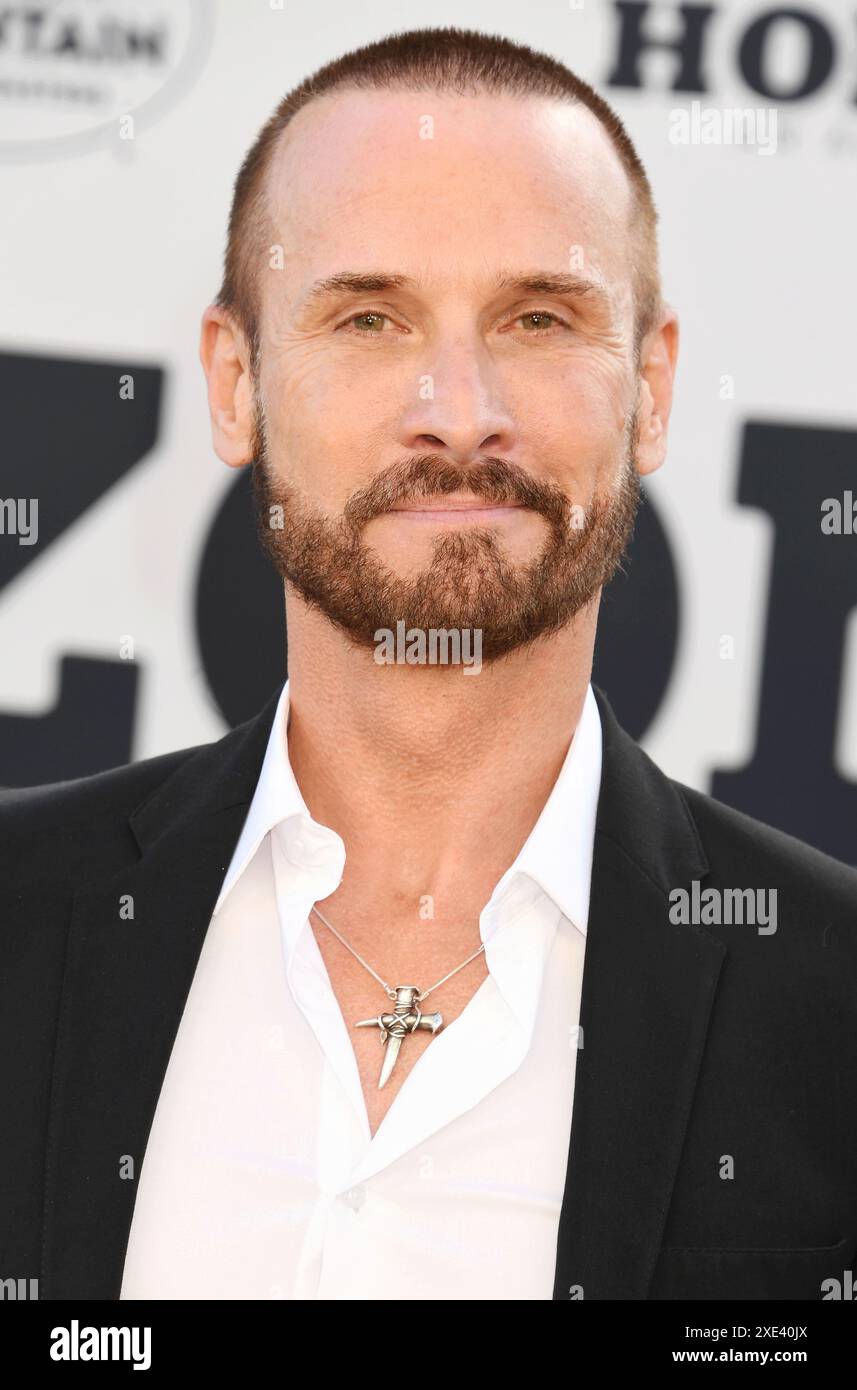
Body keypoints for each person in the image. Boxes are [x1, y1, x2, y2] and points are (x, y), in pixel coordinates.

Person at [2, 26, 855, 1303]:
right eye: (366, 315)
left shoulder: (829, 1001)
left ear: (652, 386)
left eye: (538, 315)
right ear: (235, 385)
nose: (458, 409)